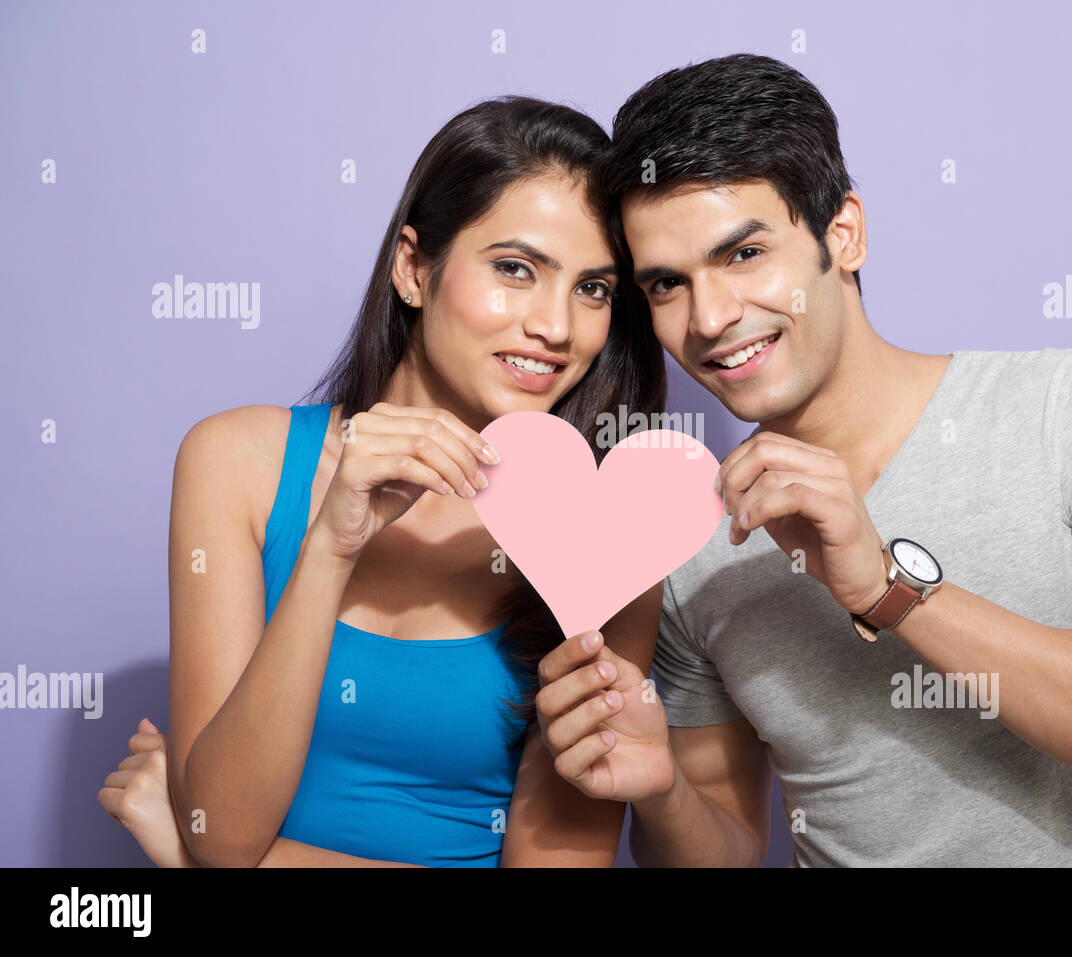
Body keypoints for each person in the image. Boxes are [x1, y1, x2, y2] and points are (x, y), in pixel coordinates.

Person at [532, 53, 1072, 866]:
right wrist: (660, 792)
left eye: (743, 255)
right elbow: (727, 852)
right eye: (666, 284)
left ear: (844, 234)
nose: (711, 316)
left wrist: (889, 590)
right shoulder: (690, 541)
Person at [97, 96, 665, 867]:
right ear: (413, 267)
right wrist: (331, 543)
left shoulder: (606, 538)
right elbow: (223, 831)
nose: (557, 327)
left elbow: (211, 849)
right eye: (515, 269)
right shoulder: (236, 462)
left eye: (593, 288)